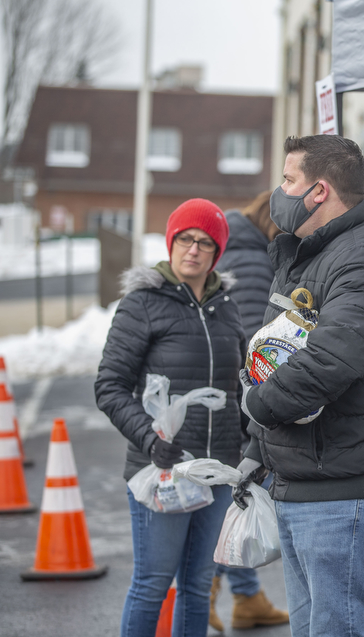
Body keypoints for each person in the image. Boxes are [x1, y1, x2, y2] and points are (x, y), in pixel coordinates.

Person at [235, 135, 364, 637]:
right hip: (305, 483)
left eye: (288, 180)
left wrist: (257, 407)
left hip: (346, 494)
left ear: (318, 191)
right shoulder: (309, 254)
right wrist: (259, 449)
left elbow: (331, 360)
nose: (279, 191)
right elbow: (277, 353)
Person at [95, 198, 245, 637]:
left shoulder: (226, 307)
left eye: (204, 242)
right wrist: (149, 440)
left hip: (217, 472)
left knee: (198, 586)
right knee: (152, 584)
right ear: (170, 242)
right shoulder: (142, 304)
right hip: (163, 469)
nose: (193, 250)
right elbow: (109, 385)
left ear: (216, 253)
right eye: (184, 239)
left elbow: (238, 388)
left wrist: (250, 447)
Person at [208, 191, 288, 632]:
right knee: (238, 494)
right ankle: (207, 591)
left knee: (236, 496)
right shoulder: (256, 259)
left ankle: (245, 597)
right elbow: (260, 337)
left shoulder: (235, 246)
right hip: (241, 397)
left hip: (222, 391)